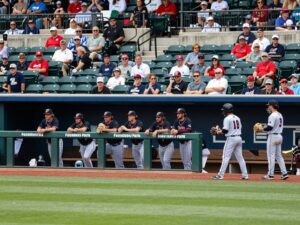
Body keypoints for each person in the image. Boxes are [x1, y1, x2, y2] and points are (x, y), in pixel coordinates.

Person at [211, 103, 248, 180]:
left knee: (225, 157)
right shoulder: (237, 118)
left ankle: (220, 175)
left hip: (231, 139)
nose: (223, 112)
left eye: (224, 110)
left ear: (226, 110)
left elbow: (225, 130)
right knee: (240, 158)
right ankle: (245, 175)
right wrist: (220, 130)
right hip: (238, 138)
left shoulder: (227, 118)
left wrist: (218, 132)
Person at [261, 100, 289, 180]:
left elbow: (270, 127)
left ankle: (270, 175)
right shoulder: (280, 114)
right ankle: (284, 173)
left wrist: (262, 129)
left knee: (271, 156)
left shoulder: (272, 115)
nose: (268, 107)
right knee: (279, 156)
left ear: (272, 106)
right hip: (279, 136)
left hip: (273, 137)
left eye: (269, 106)